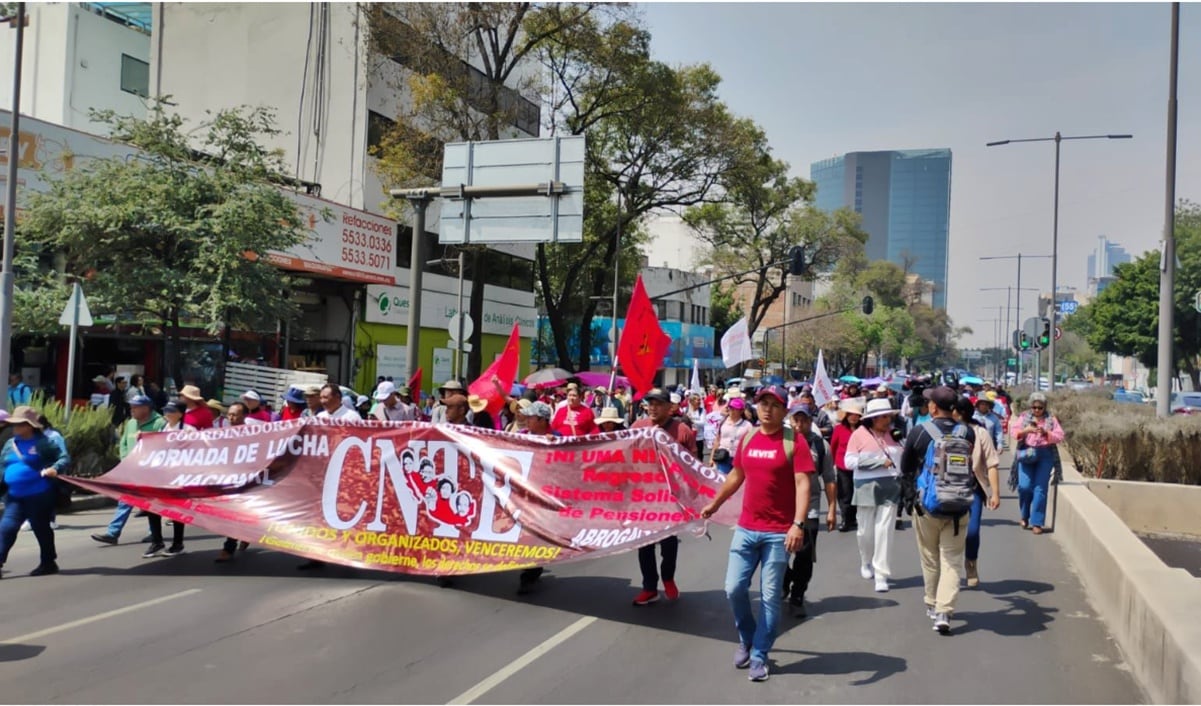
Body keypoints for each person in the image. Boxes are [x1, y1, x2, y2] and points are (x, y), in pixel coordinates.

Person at [701, 385, 815, 682]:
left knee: (770, 597)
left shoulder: (795, 441)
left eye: (774, 405)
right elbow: (737, 475)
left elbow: (803, 483)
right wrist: (715, 503)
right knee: (733, 589)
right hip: (747, 528)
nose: (767, 409)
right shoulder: (749, 437)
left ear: (784, 410)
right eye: (763, 403)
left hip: (778, 533)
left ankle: (760, 654)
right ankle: (747, 637)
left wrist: (798, 524)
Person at [899, 385, 977, 634]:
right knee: (952, 560)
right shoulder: (967, 432)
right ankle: (945, 611)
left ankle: (932, 604)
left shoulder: (920, 432)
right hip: (959, 505)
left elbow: (906, 468)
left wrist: (908, 500)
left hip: (927, 506)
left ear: (933, 407)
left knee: (930, 558)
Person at [630, 388, 697, 605]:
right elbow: (625, 456)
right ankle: (649, 587)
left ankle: (668, 577)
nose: (653, 407)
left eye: (658, 404)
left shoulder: (682, 431)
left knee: (669, 543)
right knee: (645, 544)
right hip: (645, 497)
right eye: (650, 403)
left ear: (670, 408)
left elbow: (693, 464)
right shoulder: (637, 427)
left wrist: (690, 496)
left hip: (671, 498)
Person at [782, 403, 837, 617]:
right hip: (783, 506)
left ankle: (797, 595)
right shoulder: (782, 442)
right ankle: (785, 579)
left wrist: (831, 508)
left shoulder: (821, 446)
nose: (799, 424)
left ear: (810, 421)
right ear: (790, 420)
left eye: (804, 420)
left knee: (804, 555)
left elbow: (829, 478)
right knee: (778, 552)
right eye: (795, 420)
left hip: (810, 508)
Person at [845, 398, 904, 592]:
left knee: (884, 531)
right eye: (883, 417)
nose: (888, 420)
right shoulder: (859, 435)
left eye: (889, 416)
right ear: (873, 419)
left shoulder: (894, 434)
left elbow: (902, 459)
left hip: (891, 485)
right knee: (865, 532)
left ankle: (881, 574)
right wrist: (878, 462)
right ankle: (865, 561)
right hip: (866, 486)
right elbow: (849, 462)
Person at [91, 395, 166, 546]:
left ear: (146, 408)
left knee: (151, 503)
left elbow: (163, 445)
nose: (132, 410)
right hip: (131, 469)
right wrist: (126, 460)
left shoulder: (160, 423)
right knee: (125, 500)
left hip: (150, 471)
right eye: (131, 406)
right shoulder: (131, 423)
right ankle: (113, 533)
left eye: (135, 407)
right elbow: (124, 443)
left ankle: (154, 533)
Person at [0, 406, 64, 577]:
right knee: (6, 528)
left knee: (40, 528)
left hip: (39, 494)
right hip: (14, 495)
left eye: (19, 424)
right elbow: (2, 464)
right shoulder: (10, 443)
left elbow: (63, 458)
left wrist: (55, 468)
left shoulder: (43, 443)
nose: (14, 427)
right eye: (14, 424)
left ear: (29, 426)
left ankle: (48, 562)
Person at [953, 397, 1001, 587]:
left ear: (961, 413)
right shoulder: (945, 431)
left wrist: (995, 493)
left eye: (953, 410)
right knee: (950, 532)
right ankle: (950, 569)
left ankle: (971, 563)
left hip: (973, 489)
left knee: (972, 531)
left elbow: (992, 463)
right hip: (948, 489)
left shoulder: (980, 433)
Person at [1010, 391, 1064, 535]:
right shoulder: (1024, 417)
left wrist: (1046, 433)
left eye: (1040, 407)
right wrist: (1026, 431)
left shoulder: (1051, 419)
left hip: (1045, 455)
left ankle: (1037, 522)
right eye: (1034, 407)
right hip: (1027, 453)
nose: (1037, 410)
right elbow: (1014, 432)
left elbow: (1060, 436)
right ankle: (1024, 515)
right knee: (1025, 487)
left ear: (1044, 407)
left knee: (1040, 489)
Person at [215, 403, 253, 562]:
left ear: (244, 416)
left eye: (235, 415)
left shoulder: (253, 434)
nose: (231, 418)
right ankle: (246, 534)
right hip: (228, 478)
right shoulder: (224, 433)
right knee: (231, 513)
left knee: (237, 512)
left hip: (246, 480)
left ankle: (228, 547)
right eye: (229, 414)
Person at [22, 415, 70, 532]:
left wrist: (55, 468)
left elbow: (62, 455)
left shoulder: (54, 436)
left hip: (49, 471)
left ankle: (50, 520)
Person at [831, 398, 864, 532]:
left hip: (859, 465)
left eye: (856, 415)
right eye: (851, 414)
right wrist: (832, 464)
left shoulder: (863, 429)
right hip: (843, 466)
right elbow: (833, 446)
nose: (853, 417)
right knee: (845, 493)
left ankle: (853, 518)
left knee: (857, 493)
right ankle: (845, 519)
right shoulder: (839, 429)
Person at [712, 396, 753, 474]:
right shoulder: (723, 422)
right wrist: (712, 458)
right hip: (722, 457)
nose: (732, 411)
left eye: (735, 409)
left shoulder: (748, 425)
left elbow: (751, 444)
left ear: (741, 411)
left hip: (739, 460)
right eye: (730, 408)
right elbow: (717, 440)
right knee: (722, 478)